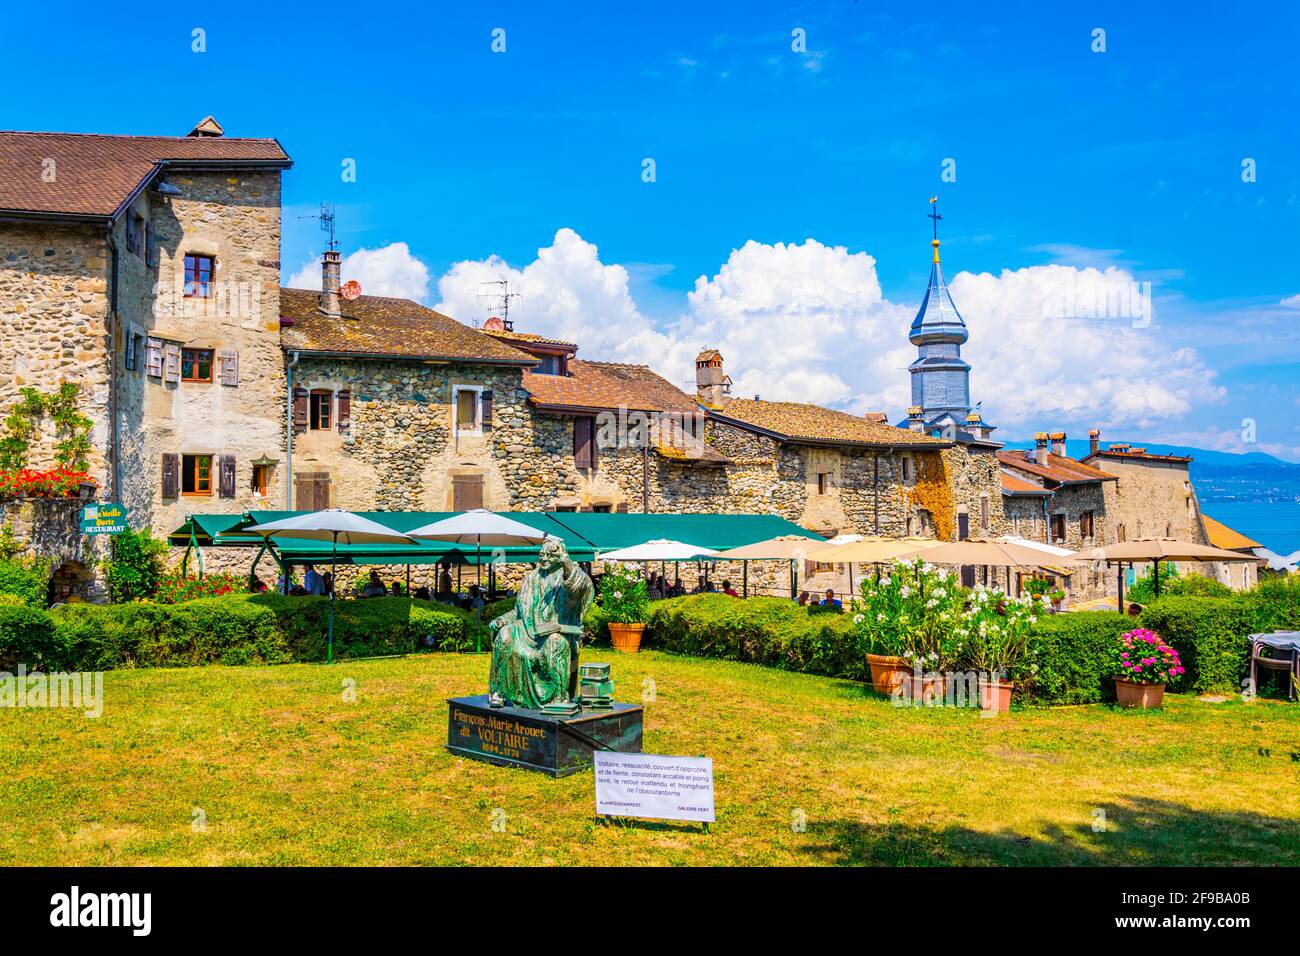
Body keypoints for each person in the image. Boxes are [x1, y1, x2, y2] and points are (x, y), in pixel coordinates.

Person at [488, 538, 595, 710]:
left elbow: (576, 589)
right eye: (541, 554)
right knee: (505, 635)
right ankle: (499, 692)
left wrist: (566, 561)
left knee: (555, 642)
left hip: (557, 632)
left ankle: (556, 699)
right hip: (528, 633)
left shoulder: (571, 573)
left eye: (549, 555)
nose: (544, 558)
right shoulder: (530, 578)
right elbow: (518, 612)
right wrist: (503, 620)